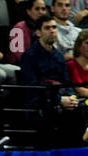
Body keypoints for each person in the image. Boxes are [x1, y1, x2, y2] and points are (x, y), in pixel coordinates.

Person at [21, 15, 84, 146]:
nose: (52, 31)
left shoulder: (59, 57)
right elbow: (33, 87)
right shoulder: (29, 56)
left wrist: (71, 96)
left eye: (54, 27)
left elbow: (67, 82)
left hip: (60, 99)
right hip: (40, 103)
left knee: (81, 110)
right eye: (47, 28)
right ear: (38, 32)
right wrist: (59, 100)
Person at [6, 0, 49, 65]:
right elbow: (18, 56)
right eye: (37, 9)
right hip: (20, 66)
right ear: (29, 11)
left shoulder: (46, 27)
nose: (41, 12)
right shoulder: (18, 28)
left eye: (43, 9)